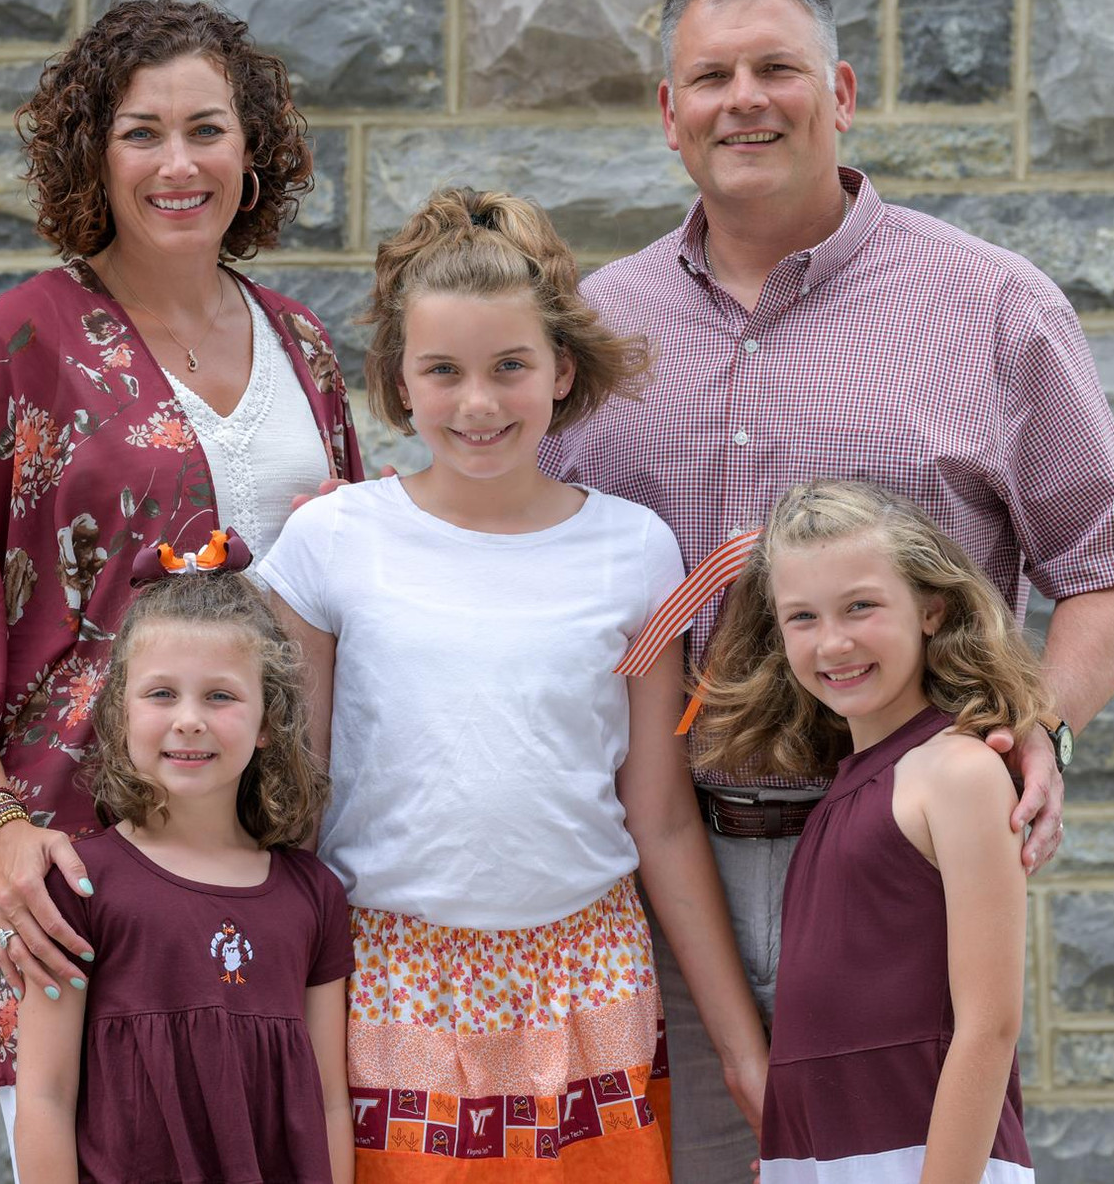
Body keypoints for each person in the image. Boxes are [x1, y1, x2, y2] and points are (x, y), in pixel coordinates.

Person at [540, 0, 1114, 1179]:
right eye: (710, 75)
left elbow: (1105, 565)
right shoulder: (591, 336)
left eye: (777, 67)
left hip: (904, 857)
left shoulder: (991, 303)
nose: (746, 98)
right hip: (666, 873)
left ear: (842, 89)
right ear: (669, 115)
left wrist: (1040, 723)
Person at [0, 0, 364, 1161]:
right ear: (92, 153)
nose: (177, 162)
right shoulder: (22, 341)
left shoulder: (300, 342)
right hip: (81, 876)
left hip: (274, 879)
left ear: (252, 150)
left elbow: (356, 584)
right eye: (141, 131)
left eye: (207, 128)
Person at [258, 188, 770, 1179]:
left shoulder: (634, 548)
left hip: (585, 984)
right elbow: (294, 812)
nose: (478, 403)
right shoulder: (334, 542)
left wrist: (742, 1045)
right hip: (386, 985)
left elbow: (659, 817)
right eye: (442, 371)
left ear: (561, 369)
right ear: (400, 382)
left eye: (509, 367)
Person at [693, 480, 1039, 1184]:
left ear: (932, 608)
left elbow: (989, 1025)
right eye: (802, 617)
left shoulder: (959, 773)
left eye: (861, 606)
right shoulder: (842, 793)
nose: (834, 641)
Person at [13, 565, 355, 1184]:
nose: (189, 719)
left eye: (220, 696)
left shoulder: (314, 896)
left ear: (267, 722)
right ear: (118, 713)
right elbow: (44, 1094)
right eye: (161, 693)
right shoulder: (78, 884)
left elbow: (331, 1098)